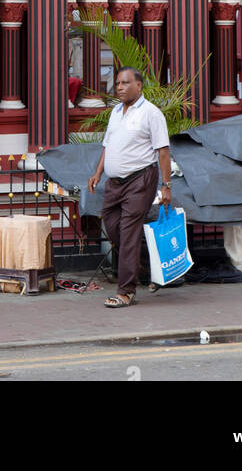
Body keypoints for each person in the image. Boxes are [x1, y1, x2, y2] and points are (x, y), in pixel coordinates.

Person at [88, 67, 171, 308]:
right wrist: (98, 172)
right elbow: (108, 144)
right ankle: (145, 270)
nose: (120, 87)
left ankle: (126, 291)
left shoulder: (151, 114)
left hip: (140, 180)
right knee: (113, 228)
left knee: (128, 230)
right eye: (117, 83)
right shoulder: (115, 112)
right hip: (114, 183)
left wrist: (166, 186)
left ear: (139, 86)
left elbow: (163, 151)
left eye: (125, 83)